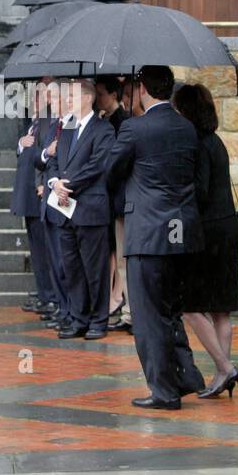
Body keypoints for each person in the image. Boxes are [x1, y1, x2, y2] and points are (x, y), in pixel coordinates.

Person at [106, 65, 207, 408]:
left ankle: (164, 391)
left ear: (145, 89)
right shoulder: (187, 127)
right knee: (171, 311)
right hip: (182, 232)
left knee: (149, 317)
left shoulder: (135, 128)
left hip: (147, 233)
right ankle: (185, 377)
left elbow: (110, 171)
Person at [173, 82, 238, 398]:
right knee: (220, 309)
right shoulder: (215, 140)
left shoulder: (197, 144)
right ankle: (222, 372)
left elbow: (199, 191)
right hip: (227, 226)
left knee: (189, 306)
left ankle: (224, 367)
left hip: (208, 232)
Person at [44, 79, 116, 339]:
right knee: (71, 267)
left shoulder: (103, 130)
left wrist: (68, 185)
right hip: (64, 209)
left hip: (89, 208)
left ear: (88, 98)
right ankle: (78, 318)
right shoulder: (66, 128)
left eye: (72, 96)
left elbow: (99, 165)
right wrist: (54, 183)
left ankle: (98, 320)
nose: (67, 100)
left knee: (94, 269)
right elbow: (52, 161)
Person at [13, 82, 60, 317]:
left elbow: (46, 156)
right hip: (28, 194)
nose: (36, 100)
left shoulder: (49, 122)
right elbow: (26, 150)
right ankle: (44, 293)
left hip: (39, 192)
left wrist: (43, 184)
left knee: (46, 250)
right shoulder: (33, 122)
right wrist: (21, 144)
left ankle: (51, 295)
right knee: (37, 250)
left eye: (42, 96)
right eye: (36, 95)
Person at [34, 80, 70, 329]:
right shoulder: (52, 127)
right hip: (49, 202)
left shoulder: (72, 127)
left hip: (66, 202)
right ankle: (61, 306)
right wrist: (48, 151)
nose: (51, 104)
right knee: (54, 259)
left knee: (65, 262)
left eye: (55, 99)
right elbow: (39, 158)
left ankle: (70, 308)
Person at [96, 75, 131, 330]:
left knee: (123, 258)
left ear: (112, 95)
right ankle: (121, 304)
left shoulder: (124, 123)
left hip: (121, 200)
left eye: (101, 93)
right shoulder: (106, 121)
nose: (98, 99)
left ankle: (129, 309)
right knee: (116, 256)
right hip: (110, 200)